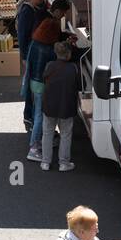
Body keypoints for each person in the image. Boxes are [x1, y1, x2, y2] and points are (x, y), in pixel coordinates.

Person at [26, 0, 73, 162]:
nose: (63, 16)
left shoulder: (37, 42)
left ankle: (38, 143)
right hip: (40, 83)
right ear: (59, 10)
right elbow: (56, 58)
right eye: (64, 13)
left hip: (33, 81)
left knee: (39, 114)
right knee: (40, 115)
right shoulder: (48, 48)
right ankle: (33, 147)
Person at [39, 41, 78, 171]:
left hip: (49, 105)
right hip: (66, 106)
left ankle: (45, 162)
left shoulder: (49, 66)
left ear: (56, 53)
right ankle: (63, 163)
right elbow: (77, 85)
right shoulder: (73, 68)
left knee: (47, 133)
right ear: (69, 54)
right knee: (66, 134)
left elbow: (44, 79)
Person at [16, 0, 49, 129]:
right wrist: (24, 56)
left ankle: (30, 115)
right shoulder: (27, 11)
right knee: (31, 86)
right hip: (30, 52)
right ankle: (28, 116)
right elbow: (22, 35)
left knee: (32, 85)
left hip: (32, 51)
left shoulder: (37, 9)